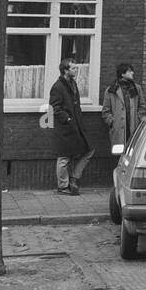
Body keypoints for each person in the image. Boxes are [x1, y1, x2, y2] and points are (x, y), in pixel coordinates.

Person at [49, 57, 93, 195]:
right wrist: (67, 119)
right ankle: (63, 186)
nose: (76, 70)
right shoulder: (57, 87)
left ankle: (74, 177)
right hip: (66, 128)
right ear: (65, 70)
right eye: (73, 68)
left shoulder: (72, 84)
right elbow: (54, 108)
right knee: (64, 157)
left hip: (77, 126)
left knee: (89, 150)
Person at [102, 62, 145, 151]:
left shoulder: (137, 88)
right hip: (118, 130)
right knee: (118, 155)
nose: (132, 73)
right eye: (129, 71)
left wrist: (138, 119)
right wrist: (113, 122)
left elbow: (142, 107)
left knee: (133, 153)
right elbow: (106, 111)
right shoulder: (111, 90)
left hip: (134, 127)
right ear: (122, 74)